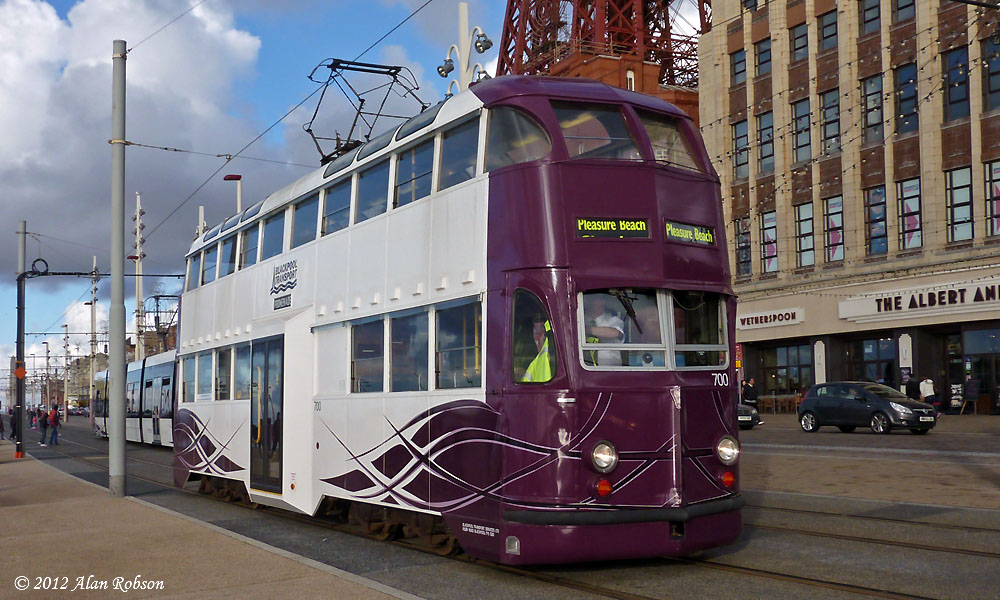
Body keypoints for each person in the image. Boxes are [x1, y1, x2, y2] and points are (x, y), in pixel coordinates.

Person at [583, 294, 624, 366]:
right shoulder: (580, 320)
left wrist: (585, 330)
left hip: (610, 369)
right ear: (588, 301)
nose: (602, 303)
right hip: (585, 368)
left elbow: (615, 333)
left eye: (603, 300)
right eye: (597, 299)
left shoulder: (614, 320)